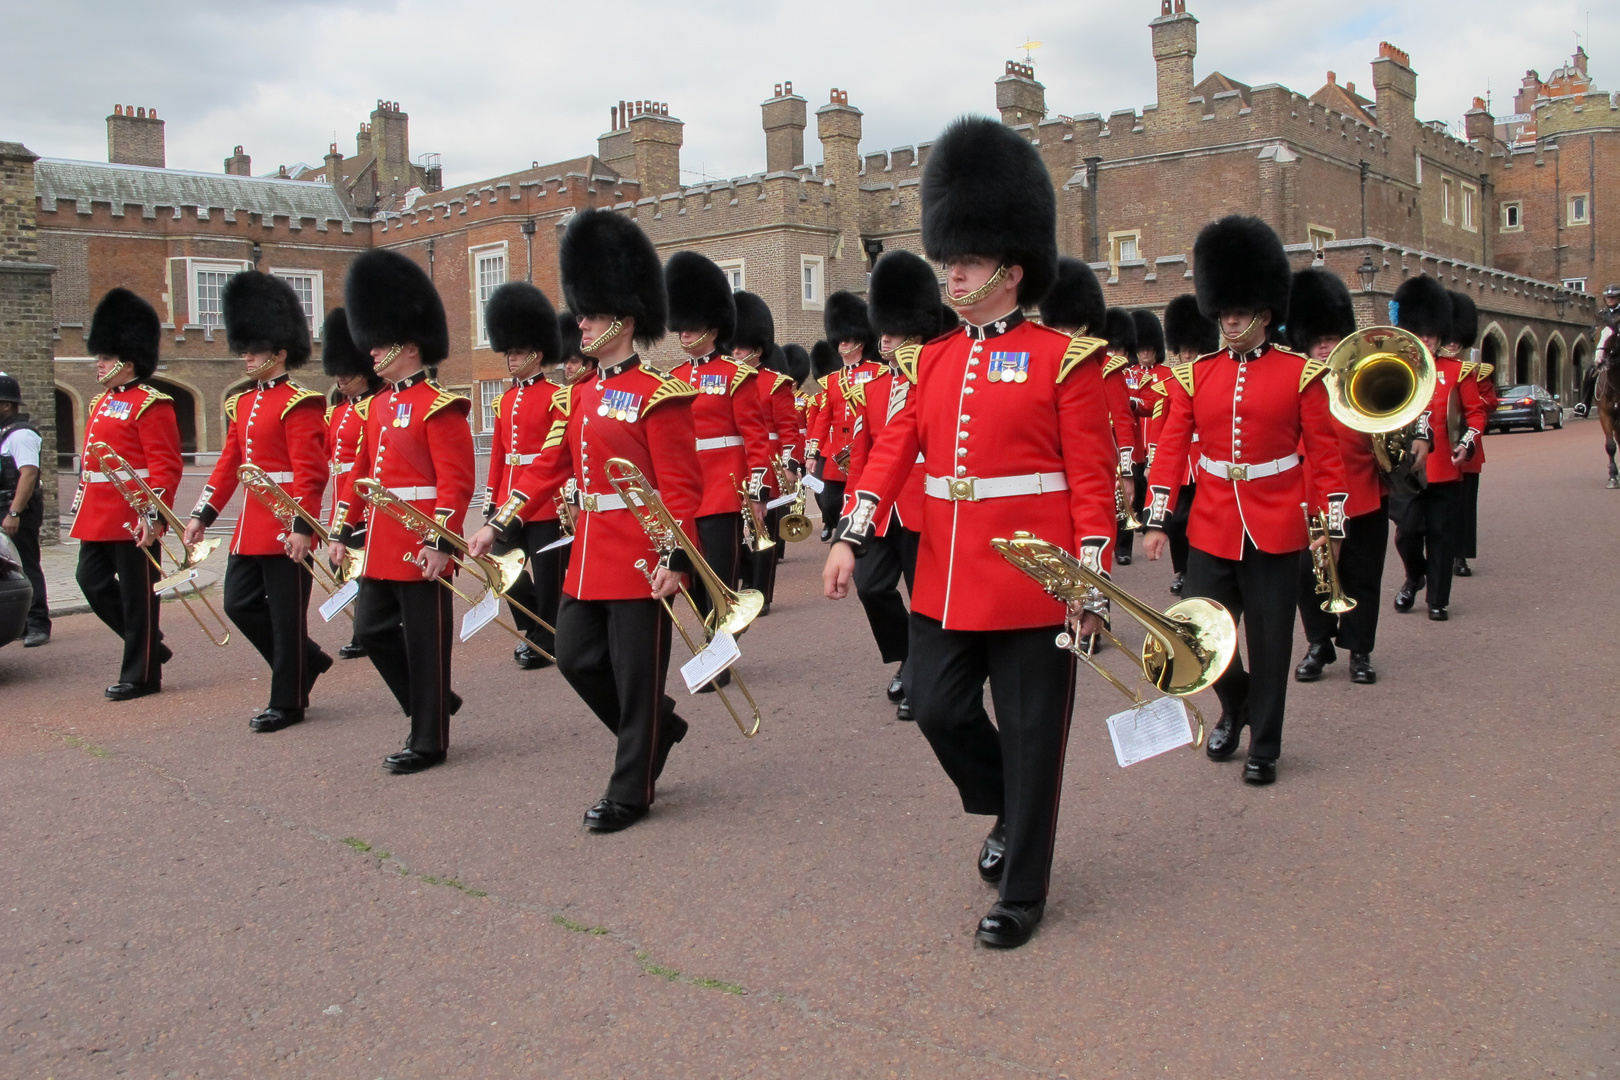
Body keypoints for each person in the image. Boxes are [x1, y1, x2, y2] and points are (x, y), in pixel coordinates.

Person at [824, 116, 1116, 949]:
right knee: (937, 706)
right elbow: (891, 453)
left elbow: (1091, 482)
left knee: (1033, 737)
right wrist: (851, 532)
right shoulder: (933, 361)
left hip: (1034, 579)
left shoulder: (1067, 359)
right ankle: (1009, 807)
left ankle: (1022, 890)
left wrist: (1088, 584)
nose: (950, 270)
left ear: (1011, 269)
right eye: (949, 257)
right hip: (949, 573)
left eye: (968, 259)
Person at [471, 209, 704, 834]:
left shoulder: (661, 393)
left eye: (592, 315)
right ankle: (658, 727)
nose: (581, 324)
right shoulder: (579, 394)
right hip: (589, 550)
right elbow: (547, 465)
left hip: (640, 553)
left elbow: (682, 487)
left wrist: (675, 558)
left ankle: (632, 787)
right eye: (581, 313)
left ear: (623, 320)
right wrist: (501, 520)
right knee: (574, 657)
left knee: (633, 676)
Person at [1141, 216, 1349, 786]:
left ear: (1264, 310)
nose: (1230, 320)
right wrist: (1157, 519)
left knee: (1272, 641)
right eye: (1224, 310)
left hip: (1277, 522)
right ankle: (1236, 706)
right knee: (1200, 639)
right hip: (1210, 522)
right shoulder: (1195, 377)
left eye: (1240, 310)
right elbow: (1168, 448)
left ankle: (1267, 745)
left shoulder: (1300, 375)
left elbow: (1325, 457)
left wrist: (1329, 524)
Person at [327, 249, 474, 774]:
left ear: (410, 347)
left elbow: (456, 484)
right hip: (382, 540)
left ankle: (429, 737)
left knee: (428, 642)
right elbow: (360, 477)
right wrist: (344, 529)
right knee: (371, 631)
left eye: (382, 344)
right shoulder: (377, 406)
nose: (372, 353)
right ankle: (431, 704)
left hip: (421, 539)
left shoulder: (441, 405)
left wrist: (441, 542)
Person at [183, 271, 331, 732]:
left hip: (287, 523)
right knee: (239, 602)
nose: (246, 356)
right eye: (244, 348)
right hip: (251, 524)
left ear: (280, 352)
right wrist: (202, 513)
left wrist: (303, 527)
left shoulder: (300, 403)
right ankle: (306, 660)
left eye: (255, 349)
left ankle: (287, 701)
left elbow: (311, 473)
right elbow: (229, 464)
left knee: (287, 618)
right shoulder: (242, 403)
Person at [844, 249, 948, 721]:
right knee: (871, 588)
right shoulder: (872, 388)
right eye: (882, 330)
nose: (885, 339)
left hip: (927, 502)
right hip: (882, 509)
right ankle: (908, 654)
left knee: (924, 595)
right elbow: (864, 460)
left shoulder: (938, 377)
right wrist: (851, 517)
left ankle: (920, 672)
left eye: (895, 329)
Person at [71, 288, 183, 700]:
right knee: (91, 581)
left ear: (128, 360)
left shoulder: (151, 404)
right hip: (98, 516)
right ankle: (152, 645)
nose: (99, 364)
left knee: (139, 599)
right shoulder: (101, 402)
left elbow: (166, 467)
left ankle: (142, 673)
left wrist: (153, 517)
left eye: (105, 357)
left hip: (134, 515)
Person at [1285, 268, 1386, 685]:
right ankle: (1318, 644)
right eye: (1316, 340)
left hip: (1362, 492)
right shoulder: (1292, 382)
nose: (1324, 347)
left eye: (1330, 338)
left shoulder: (1365, 376)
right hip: (1310, 497)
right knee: (1312, 578)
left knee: (1362, 575)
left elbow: (1403, 415)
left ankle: (1359, 650)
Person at [664, 252, 772, 644]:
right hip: (686, 490)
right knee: (690, 575)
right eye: (682, 326)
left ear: (712, 327)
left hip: (724, 489)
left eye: (691, 326)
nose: (684, 332)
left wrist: (757, 491)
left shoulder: (736, 376)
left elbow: (754, 437)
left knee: (720, 576)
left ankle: (721, 647)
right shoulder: (672, 379)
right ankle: (713, 636)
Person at [1387, 277, 1485, 622]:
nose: (1425, 338)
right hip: (1406, 469)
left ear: (1441, 333)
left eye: (1430, 332)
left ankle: (1437, 600)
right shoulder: (1397, 369)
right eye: (1419, 331)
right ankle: (1415, 577)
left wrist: (1466, 444)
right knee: (1407, 533)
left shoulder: (1459, 371)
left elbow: (1475, 415)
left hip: (1445, 465)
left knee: (1441, 536)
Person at [480, 281, 567, 669]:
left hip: (546, 503)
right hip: (510, 501)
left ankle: (547, 637)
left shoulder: (556, 396)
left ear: (538, 353)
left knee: (549, 579)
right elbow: (499, 457)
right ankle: (535, 628)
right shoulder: (504, 400)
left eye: (518, 352)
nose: (511, 359)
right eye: (509, 353)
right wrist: (493, 504)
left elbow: (555, 458)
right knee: (502, 567)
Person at [318, 308, 383, 661]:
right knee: (343, 565)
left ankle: (369, 628)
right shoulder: (338, 411)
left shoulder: (373, 407)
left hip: (365, 503)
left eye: (347, 371)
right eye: (338, 372)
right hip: (343, 500)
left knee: (362, 565)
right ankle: (364, 626)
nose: (340, 378)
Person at [730, 291, 798, 609]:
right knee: (734, 530)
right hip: (734, 463)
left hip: (765, 464)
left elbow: (789, 431)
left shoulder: (775, 383)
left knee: (764, 533)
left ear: (756, 350)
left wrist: (788, 466)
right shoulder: (727, 381)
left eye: (741, 347)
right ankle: (743, 575)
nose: (735, 351)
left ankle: (762, 593)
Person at [1155, 294, 1220, 596]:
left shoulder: (1215, 380)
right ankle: (1181, 568)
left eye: (1193, 351)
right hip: (1182, 466)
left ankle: (1199, 569)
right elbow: (1162, 427)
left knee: (1203, 519)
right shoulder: (1168, 385)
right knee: (1178, 520)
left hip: (1206, 461)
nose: (1188, 357)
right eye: (1183, 352)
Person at [808, 295, 886, 542]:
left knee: (862, 495)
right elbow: (823, 418)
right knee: (829, 501)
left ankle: (856, 535)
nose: (842, 344)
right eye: (840, 340)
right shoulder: (832, 380)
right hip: (838, 451)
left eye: (848, 339)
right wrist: (812, 453)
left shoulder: (878, 372)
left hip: (865, 446)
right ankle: (837, 526)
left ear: (860, 342)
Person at [0, 372, 49, 646]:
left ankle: (38, 623)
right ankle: (19, 622)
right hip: (4, 507)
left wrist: (15, 513)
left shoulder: (22, 435)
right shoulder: (4, 434)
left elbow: (28, 474)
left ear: (6, 405)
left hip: (17, 510)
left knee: (26, 565)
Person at [1101, 309, 1141, 563]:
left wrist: (1127, 473)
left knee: (1115, 504)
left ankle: (1121, 548)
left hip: (1108, 448)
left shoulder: (1109, 368)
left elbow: (1124, 421)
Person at [1575, 284, 1619, 415]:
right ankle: (1584, 404)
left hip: (1619, 353)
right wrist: (1594, 334)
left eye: (1614, 297)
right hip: (1606, 354)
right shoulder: (1602, 315)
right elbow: (1593, 331)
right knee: (1589, 374)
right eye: (1608, 297)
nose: (1610, 299)